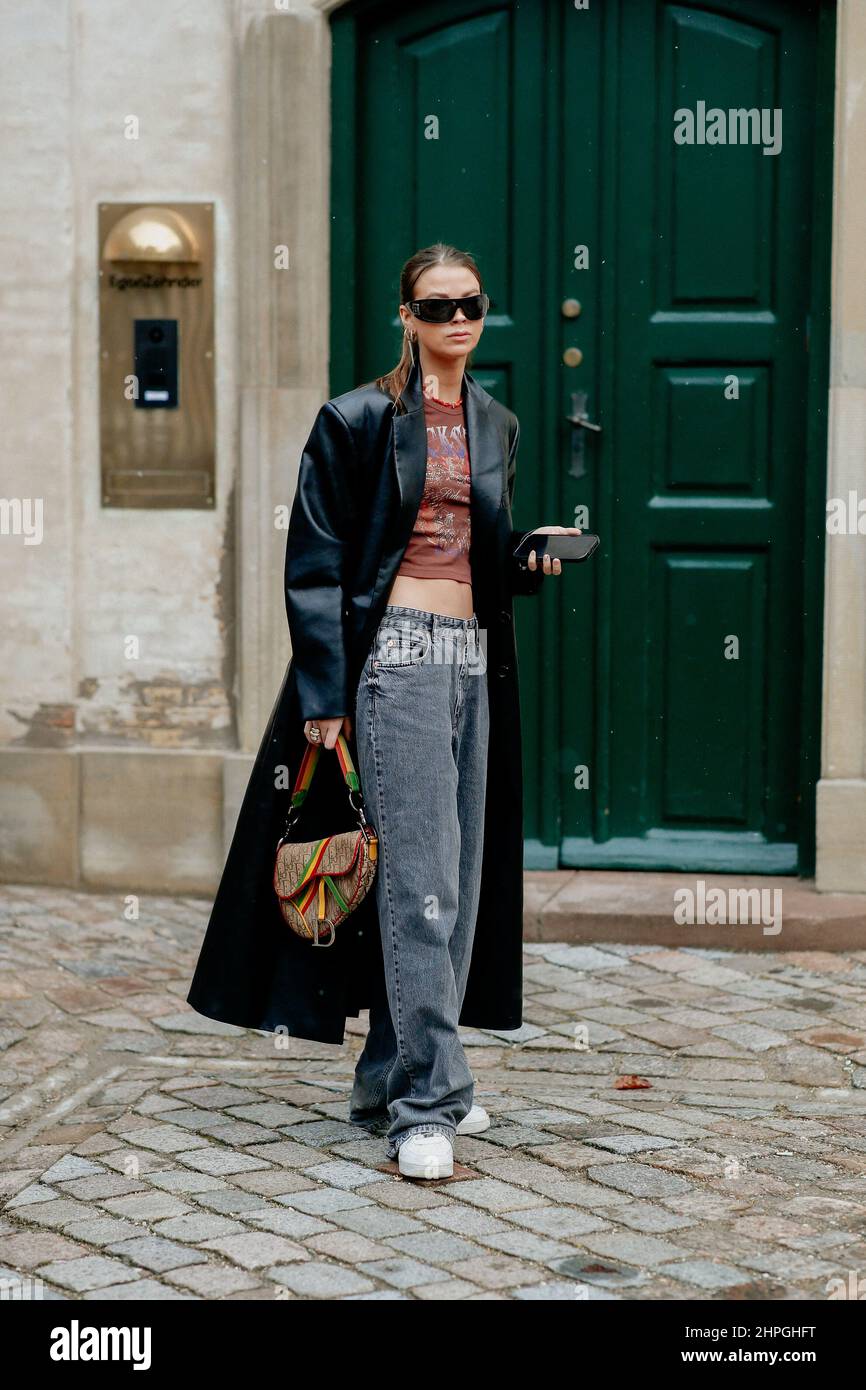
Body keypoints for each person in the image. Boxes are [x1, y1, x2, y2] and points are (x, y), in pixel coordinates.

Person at [185, 241, 580, 1181]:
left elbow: (474, 554)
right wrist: (325, 698)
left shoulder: (496, 423)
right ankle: (425, 1105)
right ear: (405, 315)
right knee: (421, 886)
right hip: (394, 659)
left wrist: (522, 561)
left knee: (463, 878)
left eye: (470, 305)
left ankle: (383, 1075)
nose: (456, 321)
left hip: (472, 662)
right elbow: (316, 562)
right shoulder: (356, 419)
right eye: (437, 306)